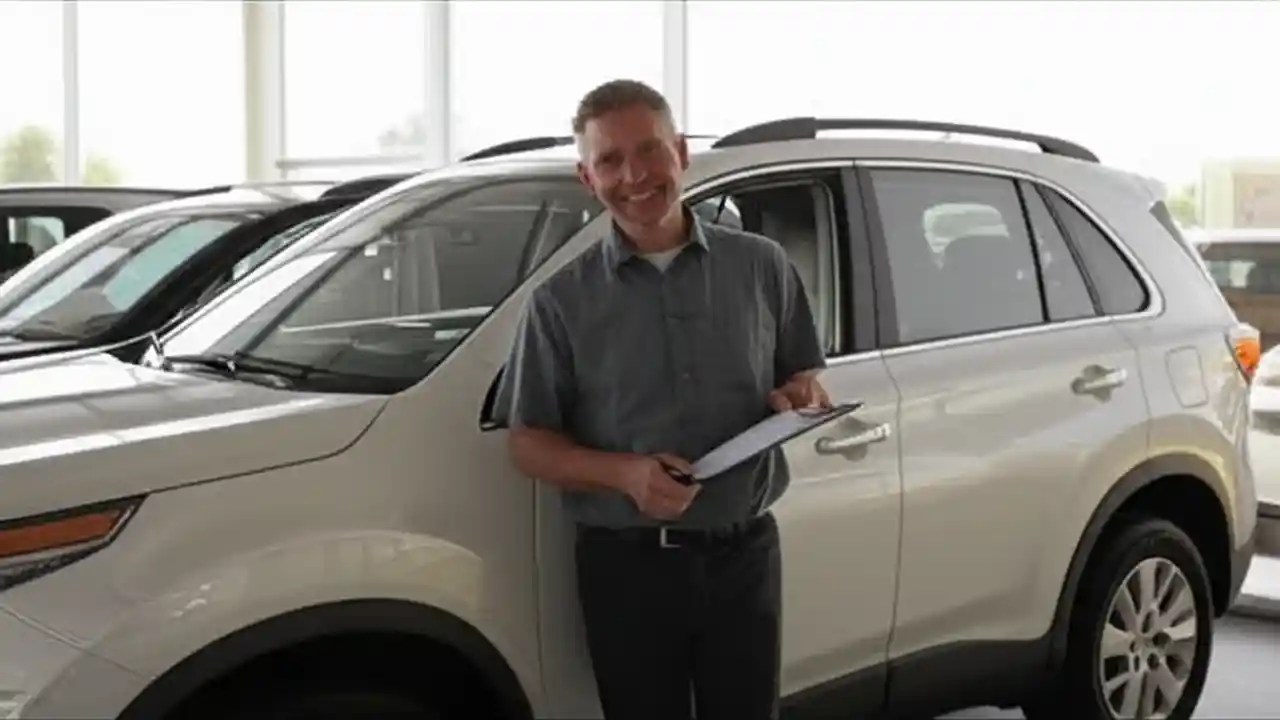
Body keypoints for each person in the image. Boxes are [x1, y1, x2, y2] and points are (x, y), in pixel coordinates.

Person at [493, 78, 830, 720]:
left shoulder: (762, 267)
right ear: (587, 177)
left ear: (680, 152)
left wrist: (800, 396)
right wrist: (625, 474)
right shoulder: (559, 302)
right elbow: (529, 442)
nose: (634, 175)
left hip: (745, 555)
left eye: (649, 151)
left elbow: (805, 379)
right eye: (610, 160)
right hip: (626, 570)